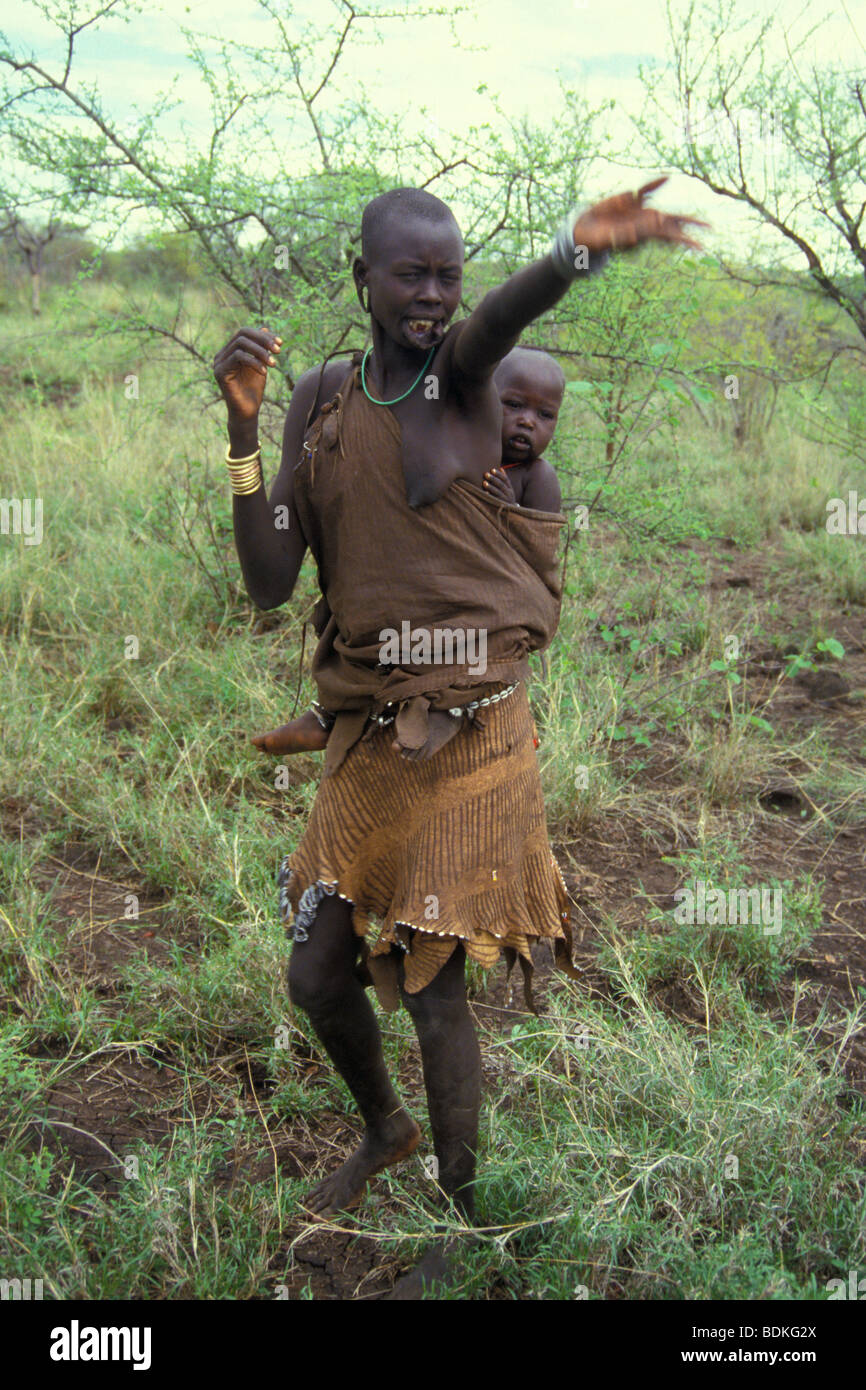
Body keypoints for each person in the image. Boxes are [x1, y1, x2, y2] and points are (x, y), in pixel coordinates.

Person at [213, 179, 704, 1298]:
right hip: (369, 729)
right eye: (411, 275)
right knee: (314, 972)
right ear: (364, 279)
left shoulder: (465, 382)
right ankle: (383, 1128)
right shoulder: (320, 400)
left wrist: (575, 253)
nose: (434, 296)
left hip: (474, 733)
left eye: (449, 274)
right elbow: (269, 576)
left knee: (436, 991)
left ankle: (460, 1218)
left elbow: (499, 320)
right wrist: (241, 428)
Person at [250, 344, 567, 757]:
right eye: (514, 405)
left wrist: (505, 512)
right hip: (429, 593)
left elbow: (536, 555)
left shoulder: (537, 478)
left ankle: (445, 714)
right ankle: (330, 711)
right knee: (367, 616)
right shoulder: (457, 442)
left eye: (545, 415)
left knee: (471, 649)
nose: (527, 422)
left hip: (489, 608)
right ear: (483, 399)